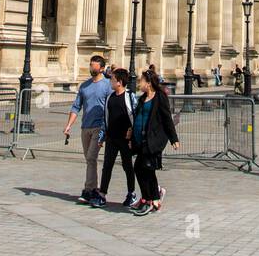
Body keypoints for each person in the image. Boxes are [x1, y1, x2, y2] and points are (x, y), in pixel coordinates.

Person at [64, 55, 115, 204]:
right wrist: (68, 125)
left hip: (99, 127)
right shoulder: (84, 86)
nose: (91, 68)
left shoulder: (107, 85)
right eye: (91, 65)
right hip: (85, 126)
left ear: (101, 68)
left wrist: (106, 131)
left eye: (94, 66)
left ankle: (89, 190)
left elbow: (110, 108)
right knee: (89, 159)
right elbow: (76, 107)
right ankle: (94, 189)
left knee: (91, 157)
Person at [130, 65, 180, 216]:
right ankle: (154, 198)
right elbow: (137, 116)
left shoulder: (159, 97)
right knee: (145, 169)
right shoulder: (142, 98)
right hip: (141, 139)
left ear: (149, 83)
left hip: (153, 140)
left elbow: (167, 119)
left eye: (141, 81)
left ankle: (148, 200)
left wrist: (174, 139)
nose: (139, 84)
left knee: (142, 168)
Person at [90, 67, 136, 209]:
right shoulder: (110, 97)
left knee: (127, 166)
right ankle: (102, 194)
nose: (110, 81)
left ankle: (131, 193)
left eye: (113, 79)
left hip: (125, 138)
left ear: (120, 82)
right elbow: (106, 118)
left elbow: (135, 116)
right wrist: (102, 136)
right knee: (107, 166)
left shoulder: (130, 97)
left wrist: (133, 134)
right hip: (112, 137)